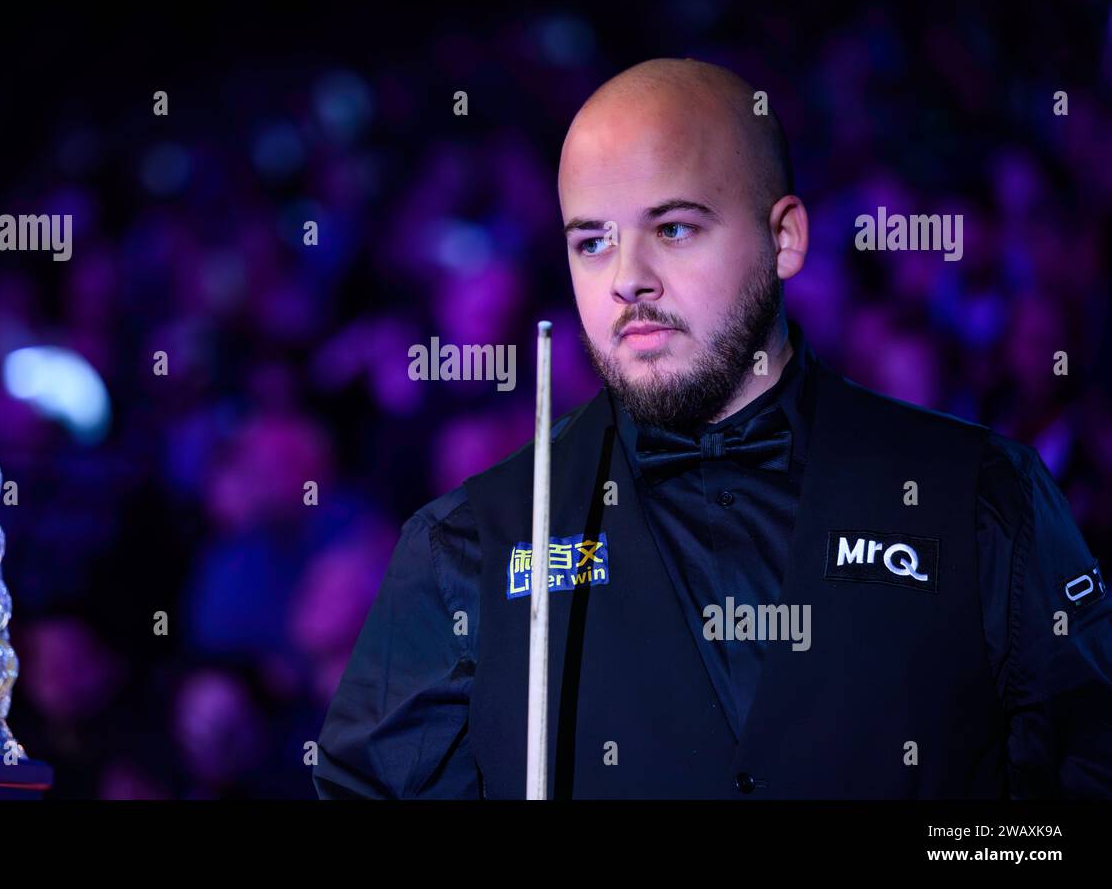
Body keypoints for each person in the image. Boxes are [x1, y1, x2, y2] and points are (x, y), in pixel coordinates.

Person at [312, 58, 1112, 798]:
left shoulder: (979, 495)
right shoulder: (467, 548)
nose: (627, 280)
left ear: (784, 237)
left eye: (674, 229)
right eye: (592, 242)